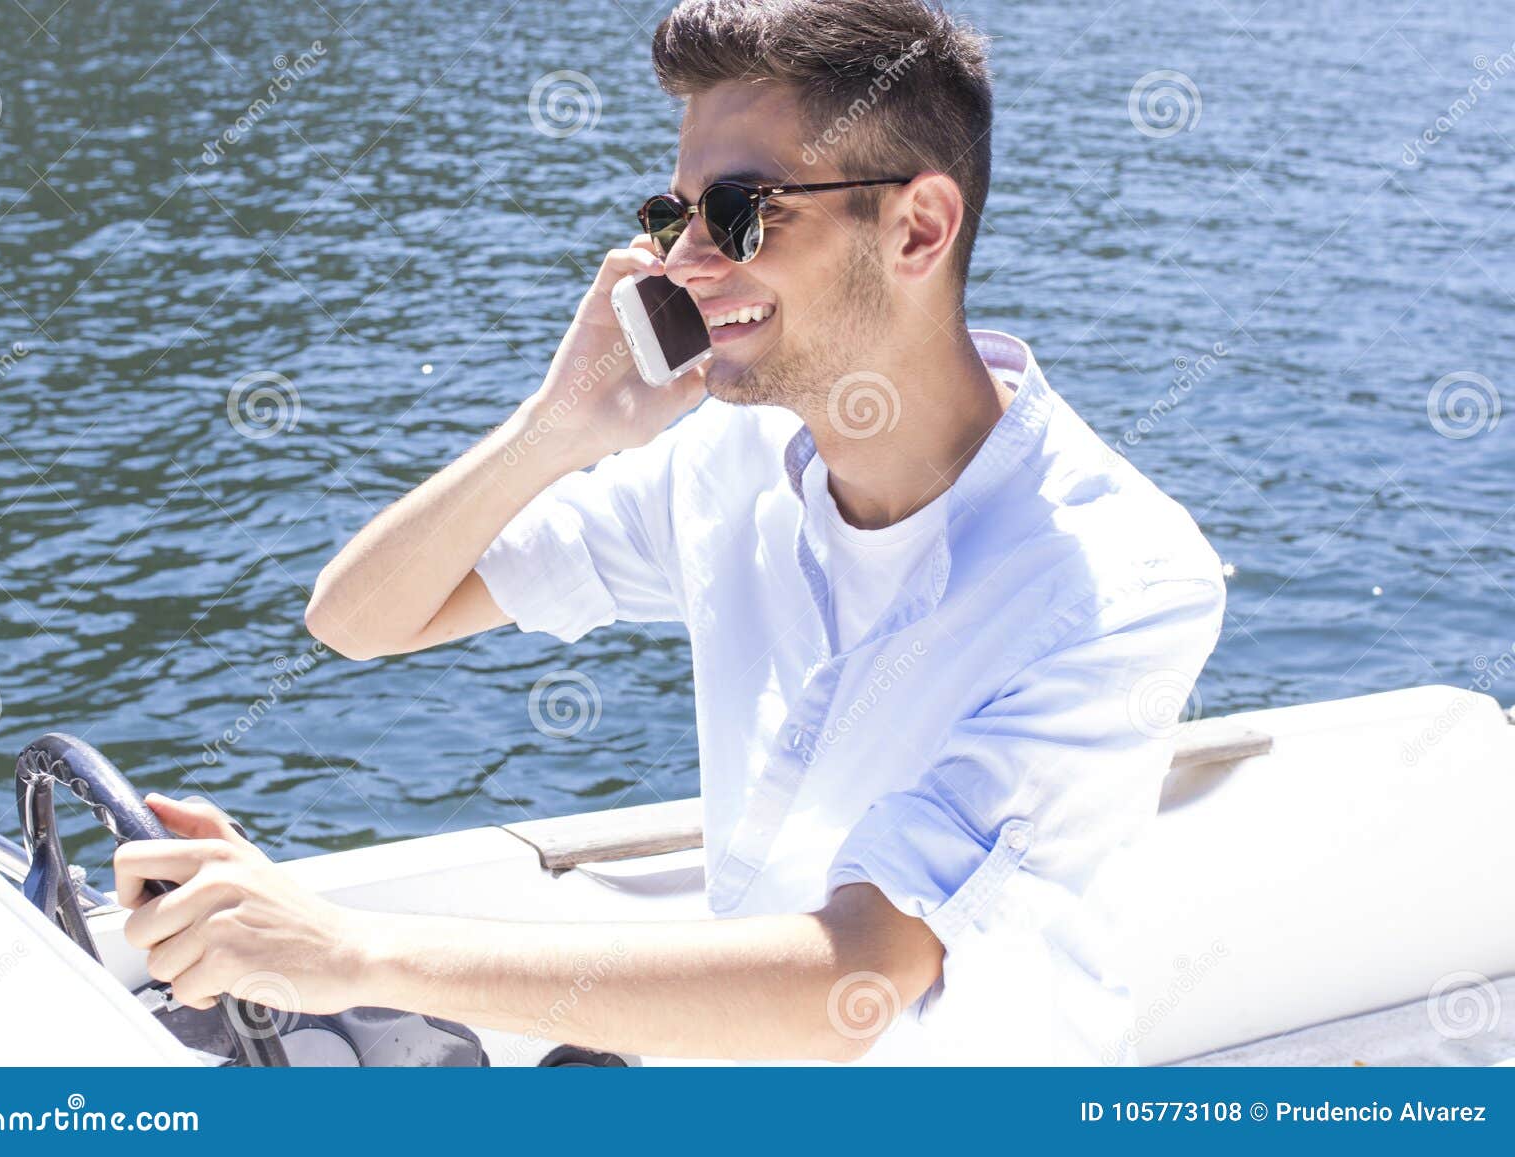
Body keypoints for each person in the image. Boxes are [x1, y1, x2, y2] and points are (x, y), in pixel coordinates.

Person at [115, 0, 1226, 1064]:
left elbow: (856, 984)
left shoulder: (1117, 578)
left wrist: (351, 951)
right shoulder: (725, 464)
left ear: (917, 227)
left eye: (741, 211)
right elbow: (357, 619)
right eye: (669, 216)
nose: (686, 263)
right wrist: (553, 430)